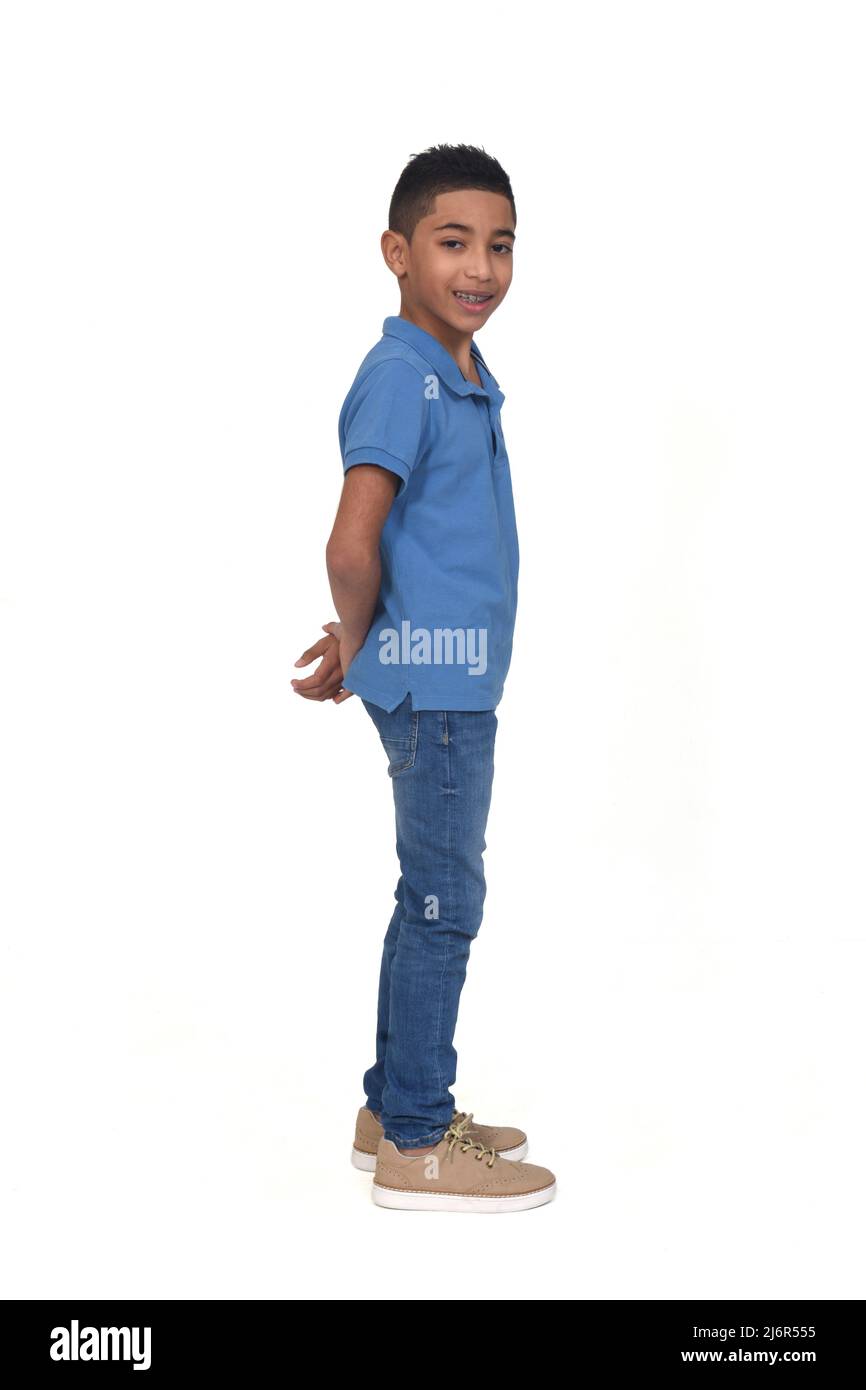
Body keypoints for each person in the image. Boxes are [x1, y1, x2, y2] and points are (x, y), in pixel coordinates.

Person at [292, 144, 555, 1213]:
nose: (480, 266)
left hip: (448, 678)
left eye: (498, 245)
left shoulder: (457, 368)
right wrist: (362, 641)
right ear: (397, 253)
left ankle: (389, 1104)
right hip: (435, 688)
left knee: (428, 897)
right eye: (453, 242)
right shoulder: (402, 375)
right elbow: (351, 545)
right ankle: (413, 1138)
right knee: (446, 903)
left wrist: (375, 638)